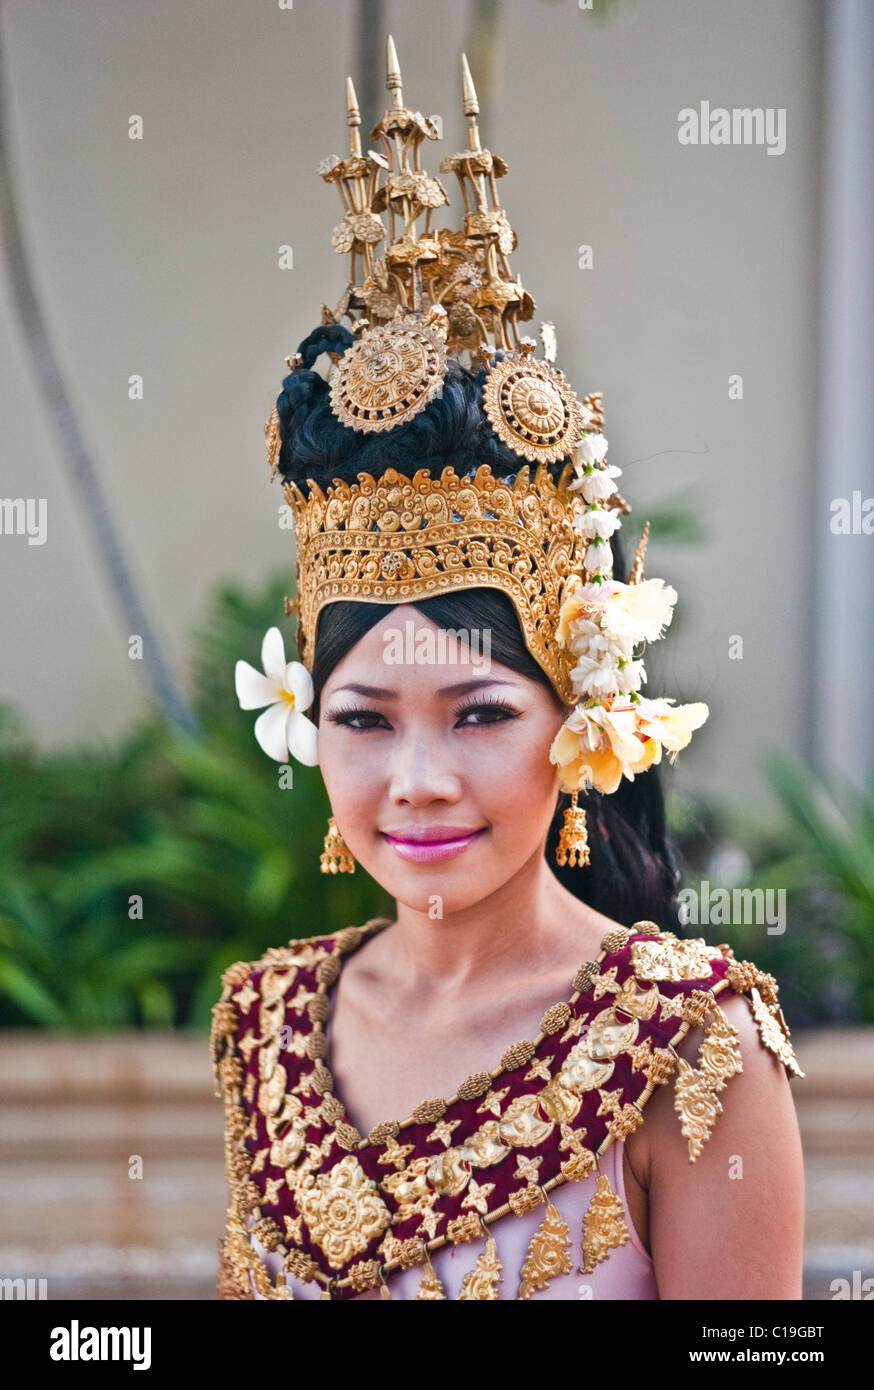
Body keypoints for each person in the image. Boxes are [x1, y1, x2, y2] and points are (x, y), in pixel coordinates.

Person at [212, 38, 805, 1301]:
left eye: (477, 711)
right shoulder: (264, 1027)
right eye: (362, 719)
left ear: (581, 711)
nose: (415, 779)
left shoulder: (687, 1046)